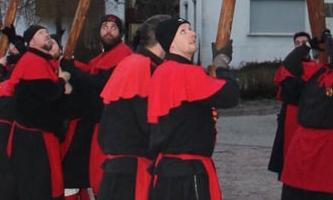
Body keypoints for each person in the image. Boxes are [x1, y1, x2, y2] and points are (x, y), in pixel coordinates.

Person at [0, 24, 73, 200]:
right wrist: (62, 82)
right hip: (34, 139)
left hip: (40, 136)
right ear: (31, 41)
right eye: (41, 33)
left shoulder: (38, 59)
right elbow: (48, 93)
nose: (47, 35)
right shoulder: (33, 61)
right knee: (37, 188)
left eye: (47, 33)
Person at [147, 17, 239, 199]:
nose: (192, 34)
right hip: (187, 173)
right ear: (171, 44)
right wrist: (222, 65)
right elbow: (230, 95)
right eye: (183, 31)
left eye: (190, 29)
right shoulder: (185, 72)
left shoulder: (161, 71)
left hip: (165, 170)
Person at [97, 14, 170, 200]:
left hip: (120, 165)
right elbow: (148, 122)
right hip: (132, 168)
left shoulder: (134, 62)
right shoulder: (142, 66)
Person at [279, 33, 333, 199]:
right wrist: (309, 45)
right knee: (295, 187)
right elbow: (290, 64)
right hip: (304, 138)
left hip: (328, 142)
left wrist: (329, 41)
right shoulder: (315, 71)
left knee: (325, 190)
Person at [65, 13, 131, 199]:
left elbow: (100, 83)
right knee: (87, 171)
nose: (108, 31)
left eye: (113, 28)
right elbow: (88, 73)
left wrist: (73, 69)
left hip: (111, 124)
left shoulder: (123, 54)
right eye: (104, 27)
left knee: (103, 174)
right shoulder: (100, 58)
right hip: (95, 121)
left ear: (120, 33)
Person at [268, 30, 312, 177]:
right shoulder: (288, 67)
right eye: (297, 44)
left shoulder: (316, 66)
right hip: (292, 115)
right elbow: (294, 90)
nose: (300, 47)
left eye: (304, 43)